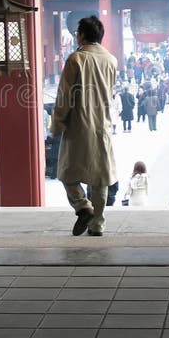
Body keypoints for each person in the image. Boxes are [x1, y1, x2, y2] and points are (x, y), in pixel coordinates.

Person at [50, 15, 117, 237]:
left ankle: (82, 206)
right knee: (100, 178)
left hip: (78, 126)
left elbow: (64, 96)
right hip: (103, 126)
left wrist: (57, 123)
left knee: (66, 173)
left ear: (80, 35)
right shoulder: (111, 60)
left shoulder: (76, 59)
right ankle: (97, 224)